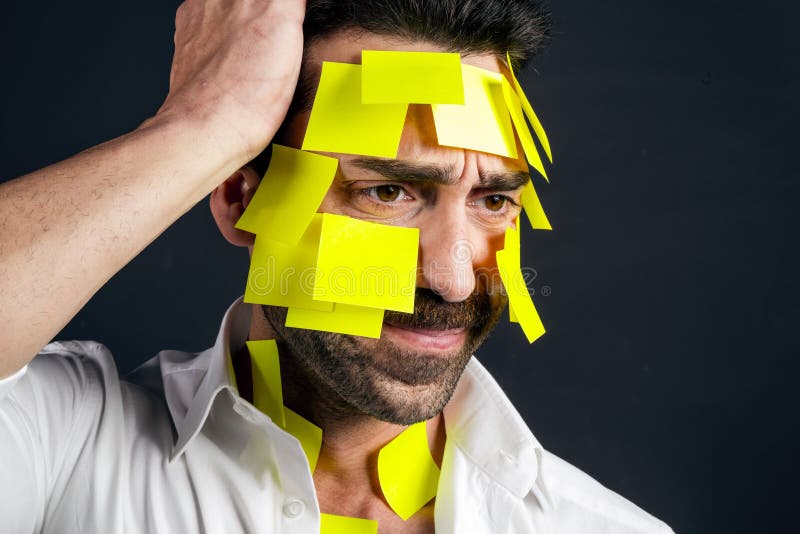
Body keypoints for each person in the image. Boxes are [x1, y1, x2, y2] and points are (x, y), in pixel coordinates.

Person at [0, 0, 674, 532]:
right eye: (389, 192)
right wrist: (202, 126)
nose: (455, 278)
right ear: (240, 199)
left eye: (493, 200)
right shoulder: (65, 446)